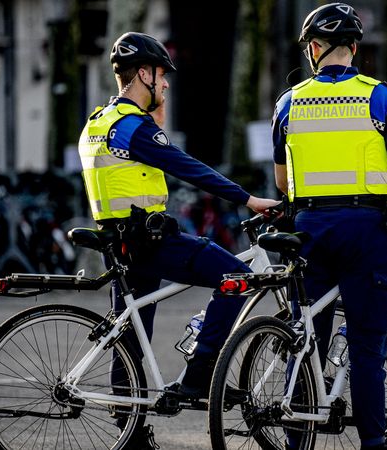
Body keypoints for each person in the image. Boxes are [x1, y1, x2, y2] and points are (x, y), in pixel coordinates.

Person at [272, 4, 387, 449]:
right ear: (354, 49)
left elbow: (283, 182)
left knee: (306, 338)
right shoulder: (380, 97)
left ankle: (296, 438)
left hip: (307, 230)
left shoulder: (289, 102)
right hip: (366, 231)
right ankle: (373, 444)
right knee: (366, 346)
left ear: (314, 50)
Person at [78, 31, 279, 443]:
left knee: (128, 335)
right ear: (143, 73)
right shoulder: (133, 129)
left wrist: (153, 104)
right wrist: (248, 198)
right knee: (235, 277)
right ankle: (202, 374)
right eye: (161, 76)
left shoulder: (99, 122)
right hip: (147, 242)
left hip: (117, 242)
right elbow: (188, 166)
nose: (166, 84)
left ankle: (129, 433)